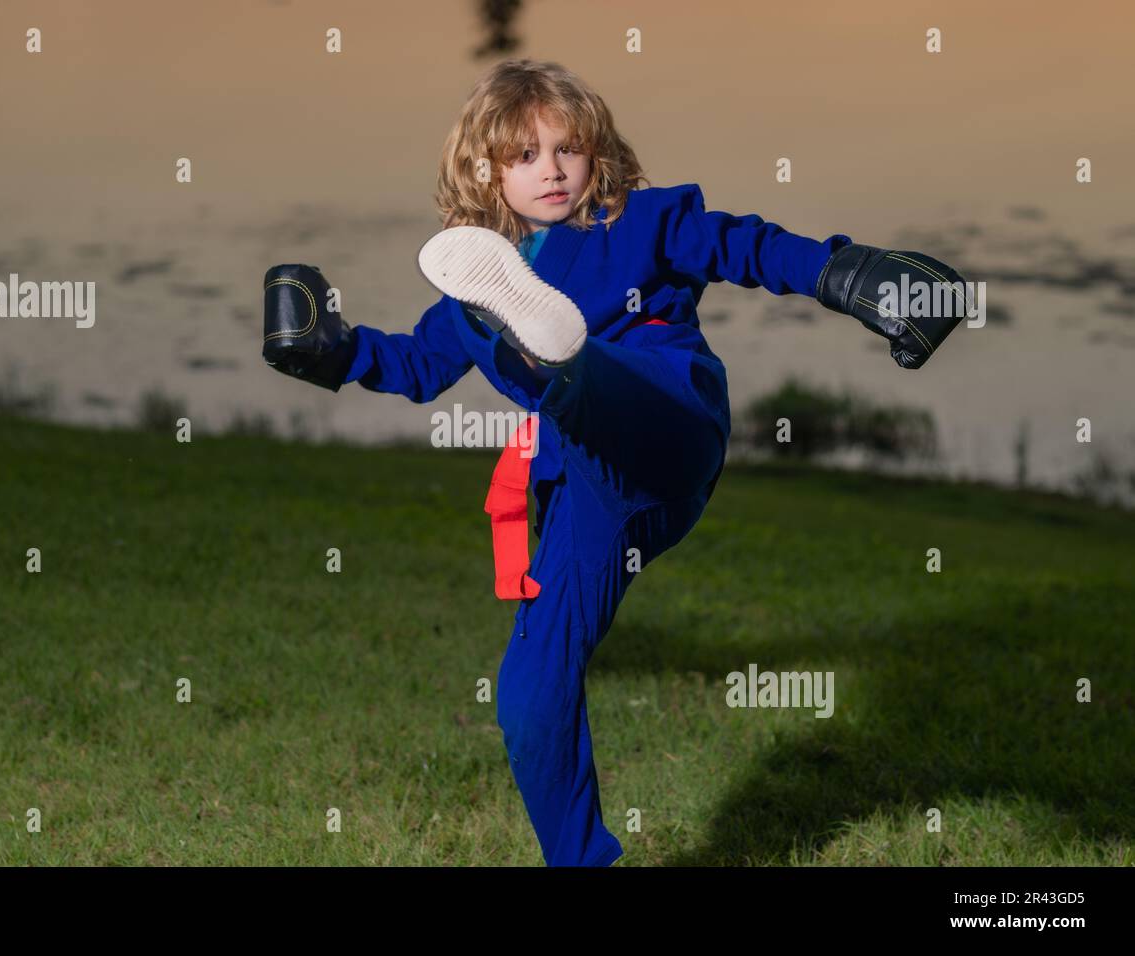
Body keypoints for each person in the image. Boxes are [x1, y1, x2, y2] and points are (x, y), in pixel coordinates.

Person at [261, 58, 968, 866]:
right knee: (528, 694)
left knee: (583, 369)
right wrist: (330, 350)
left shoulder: (642, 221)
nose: (553, 170)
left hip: (666, 420)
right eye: (524, 156)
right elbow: (414, 367)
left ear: (600, 154)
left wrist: (851, 273)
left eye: (569, 148)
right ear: (484, 172)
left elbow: (748, 247)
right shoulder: (470, 288)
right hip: (590, 493)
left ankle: (558, 359)